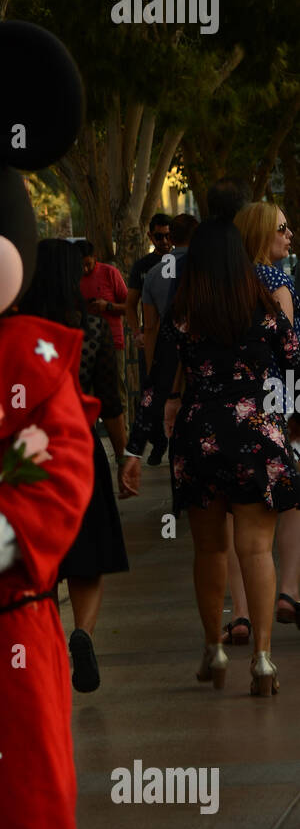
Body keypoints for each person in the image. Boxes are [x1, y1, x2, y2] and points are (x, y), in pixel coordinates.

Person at [120, 219, 300, 696]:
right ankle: (262, 660)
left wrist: (134, 449)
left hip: (199, 439)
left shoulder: (183, 316)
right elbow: (294, 363)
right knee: (257, 550)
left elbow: (156, 388)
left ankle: (213, 649)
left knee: (210, 550)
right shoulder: (265, 313)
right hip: (257, 436)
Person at [19, 240, 129, 692]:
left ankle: (42, 648)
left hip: (27, 457)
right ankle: (82, 634)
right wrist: (125, 457)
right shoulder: (93, 329)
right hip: (79, 453)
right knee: (88, 557)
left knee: (39, 564)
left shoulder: (16, 332)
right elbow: (110, 403)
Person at [222, 203, 300, 639]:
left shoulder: (224, 283)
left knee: (235, 511)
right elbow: (288, 351)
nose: (289, 236)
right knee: (289, 496)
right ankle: (287, 591)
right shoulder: (276, 280)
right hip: (277, 402)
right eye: (282, 229)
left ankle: (241, 612)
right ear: (260, 233)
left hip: (229, 406)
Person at [138, 213, 200, 465]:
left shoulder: (153, 274)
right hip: (201, 357)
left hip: (167, 357)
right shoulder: (205, 267)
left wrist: (155, 367)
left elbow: (150, 326)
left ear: (171, 238)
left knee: (172, 419)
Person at [76, 239, 129, 414]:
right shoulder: (72, 277)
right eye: (80, 266)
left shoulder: (110, 273)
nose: (84, 270)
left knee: (116, 394)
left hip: (113, 342)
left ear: (94, 258)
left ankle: (123, 438)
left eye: (88, 265)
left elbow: (130, 306)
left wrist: (107, 306)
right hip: (83, 345)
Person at [125, 212, 172, 373]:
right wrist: (137, 333)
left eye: (168, 235)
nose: (165, 241)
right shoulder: (142, 266)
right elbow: (130, 304)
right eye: (159, 237)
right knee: (150, 386)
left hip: (179, 336)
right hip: (151, 335)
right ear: (150, 236)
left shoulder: (183, 261)